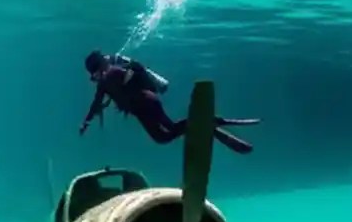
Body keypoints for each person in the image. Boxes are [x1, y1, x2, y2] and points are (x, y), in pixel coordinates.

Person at [78, 50, 260, 154]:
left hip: (148, 103)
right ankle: (208, 125)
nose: (94, 77)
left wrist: (127, 78)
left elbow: (134, 74)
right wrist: (86, 122)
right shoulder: (104, 82)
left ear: (99, 67)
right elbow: (96, 103)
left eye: (94, 73)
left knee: (166, 134)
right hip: (141, 110)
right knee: (165, 135)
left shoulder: (113, 73)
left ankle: (214, 122)